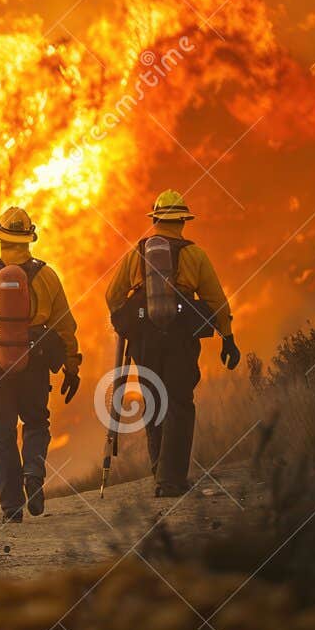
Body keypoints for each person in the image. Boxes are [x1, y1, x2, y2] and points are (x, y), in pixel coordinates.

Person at [0, 207, 82, 522]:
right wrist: (72, 366)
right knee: (36, 424)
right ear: (29, 238)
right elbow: (65, 326)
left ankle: (12, 509)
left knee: (1, 435)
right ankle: (33, 472)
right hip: (34, 367)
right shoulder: (47, 275)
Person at [104, 190, 239, 498]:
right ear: (182, 221)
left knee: (153, 399)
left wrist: (126, 320)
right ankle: (171, 479)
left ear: (155, 220)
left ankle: (157, 470)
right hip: (180, 336)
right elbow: (216, 300)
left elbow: (112, 295)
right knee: (179, 402)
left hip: (143, 337)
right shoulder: (195, 255)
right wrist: (227, 337)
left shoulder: (136, 254)